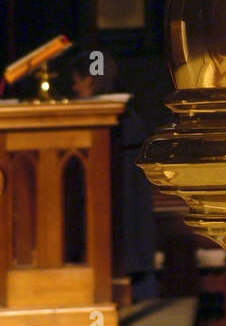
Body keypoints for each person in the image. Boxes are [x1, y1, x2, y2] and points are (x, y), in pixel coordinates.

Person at [67, 49, 158, 299]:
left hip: (120, 198)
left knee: (128, 246)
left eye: (78, 80)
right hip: (115, 197)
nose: (75, 87)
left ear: (91, 80)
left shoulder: (113, 115)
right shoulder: (119, 111)